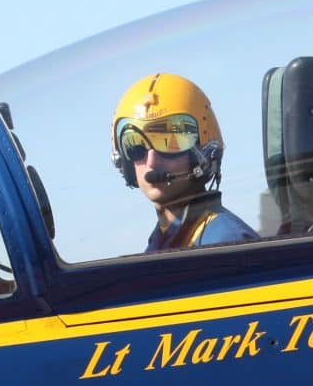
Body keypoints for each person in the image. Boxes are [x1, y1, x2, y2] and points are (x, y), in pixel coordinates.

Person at [109, 72, 259, 251]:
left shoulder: (226, 242)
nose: (152, 161)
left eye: (171, 143)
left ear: (201, 155)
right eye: (136, 147)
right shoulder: (161, 243)